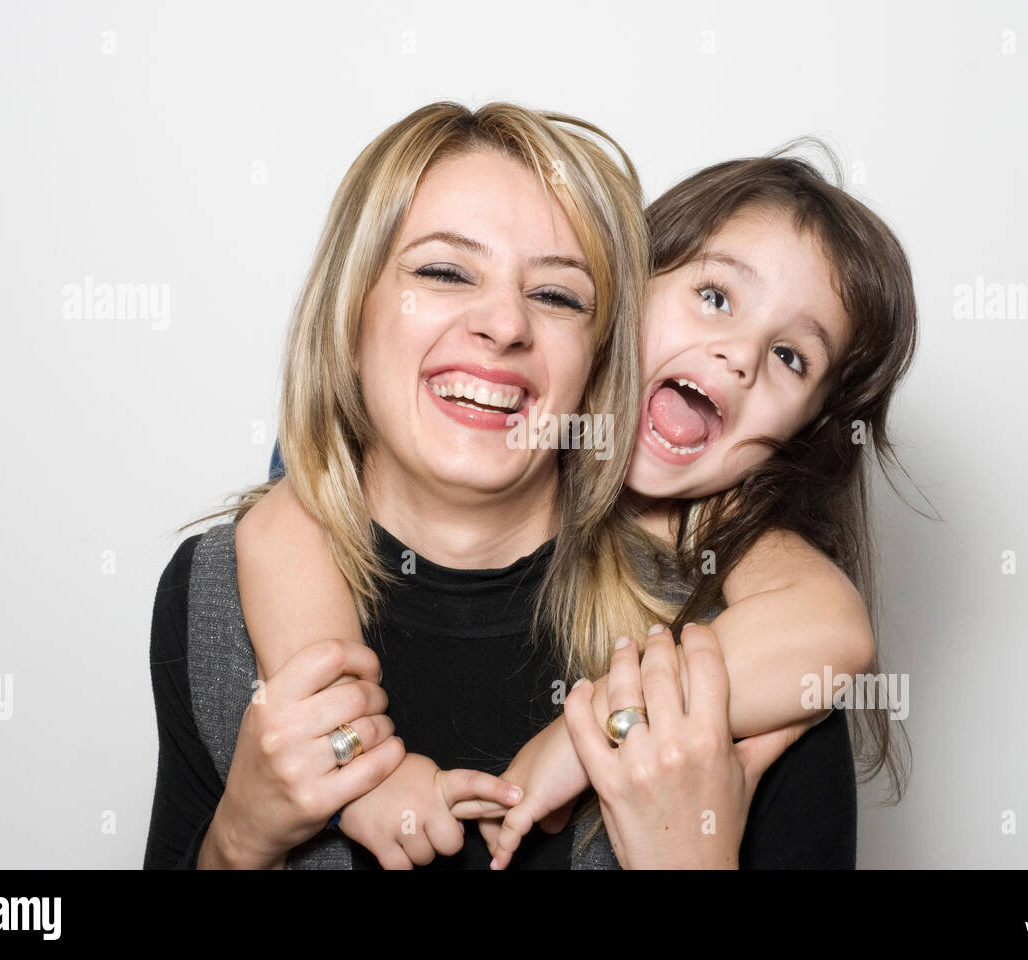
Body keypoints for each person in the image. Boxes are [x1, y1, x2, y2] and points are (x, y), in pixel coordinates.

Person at [237, 139, 919, 868]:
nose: (741, 357)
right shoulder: (472, 418)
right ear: (622, 286)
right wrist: (358, 767)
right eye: (715, 298)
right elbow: (281, 519)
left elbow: (833, 628)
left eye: (791, 358)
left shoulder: (722, 533)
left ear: (797, 434)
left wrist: (582, 738)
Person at [147, 100, 792, 870]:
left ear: (598, 366)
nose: (503, 324)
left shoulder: (736, 647)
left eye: (557, 295)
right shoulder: (216, 596)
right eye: (444, 272)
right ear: (350, 320)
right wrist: (237, 842)